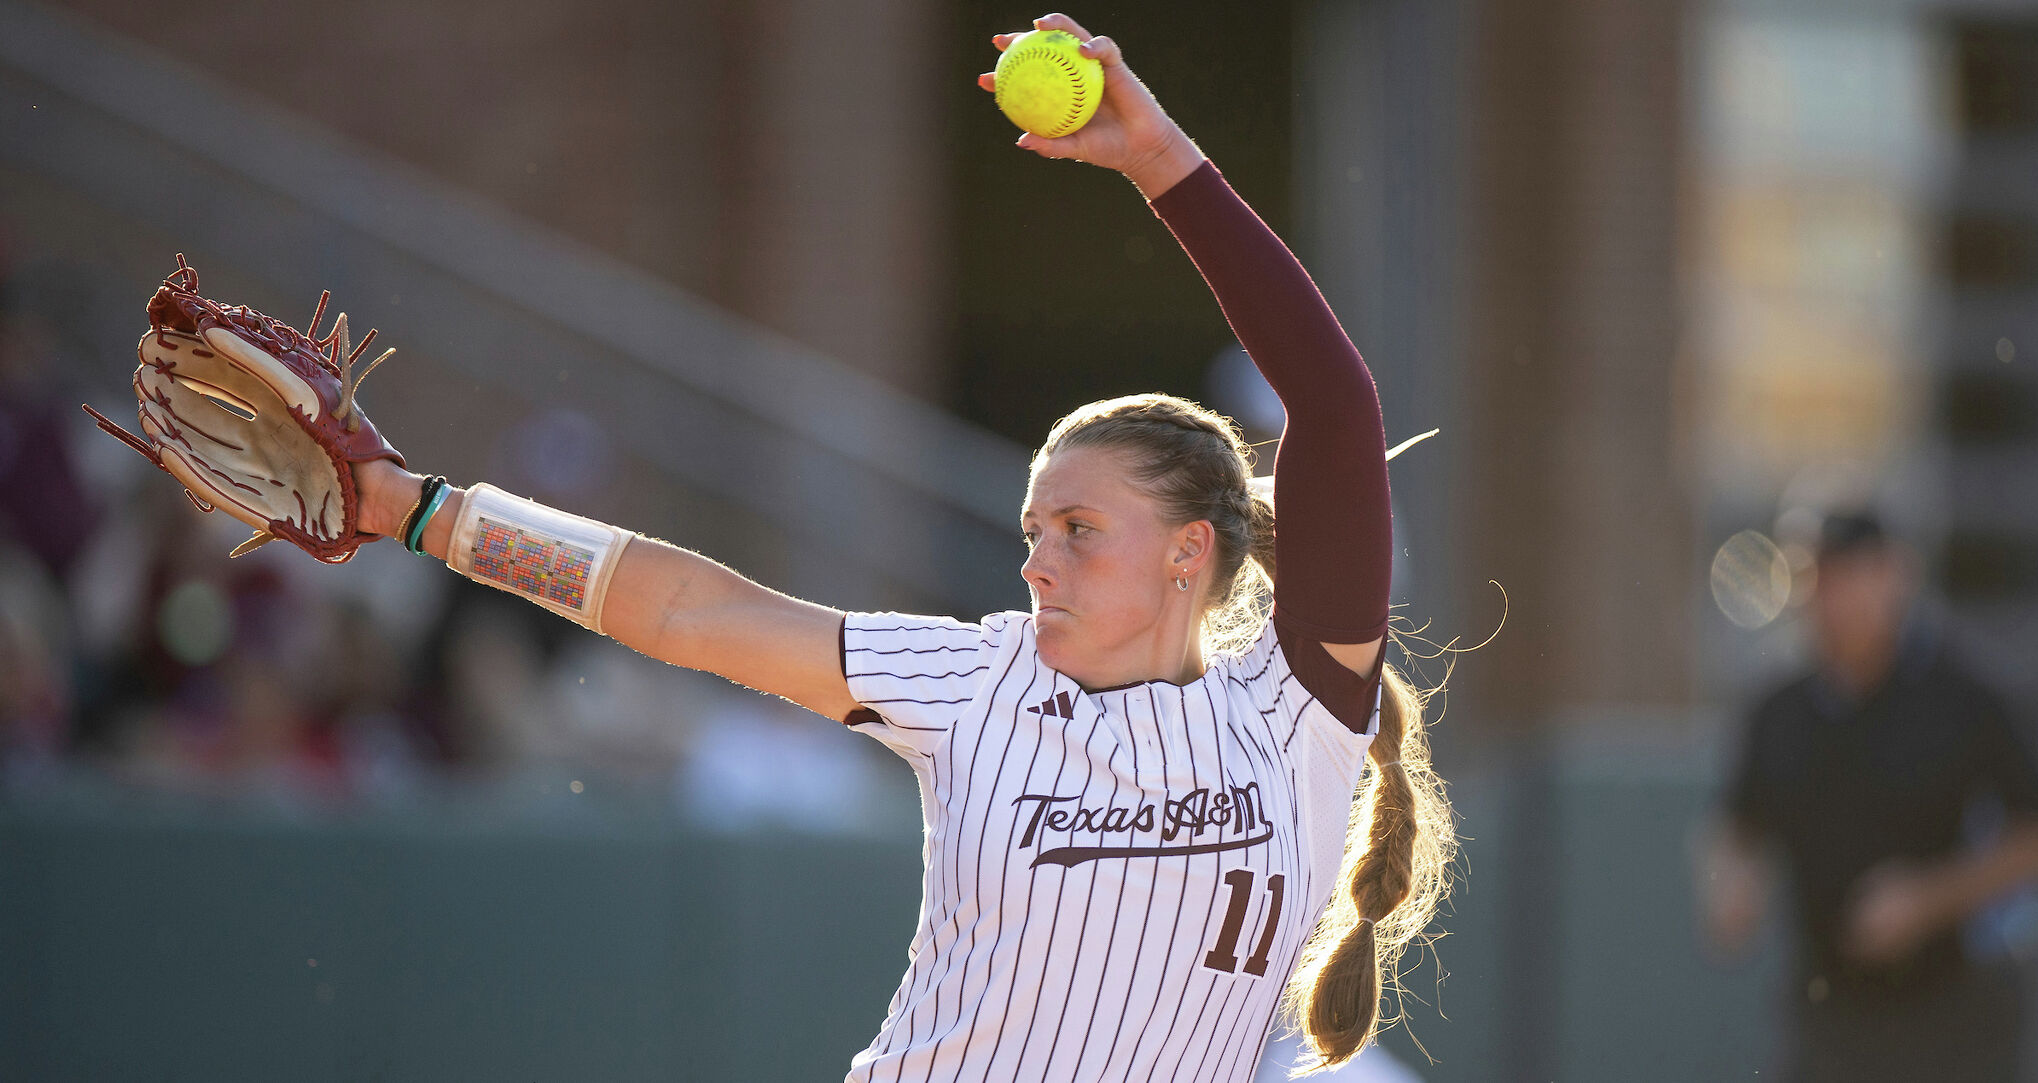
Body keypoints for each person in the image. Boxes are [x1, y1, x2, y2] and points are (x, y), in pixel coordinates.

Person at [343, 14, 1453, 1079]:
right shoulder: (976, 680)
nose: (1036, 561)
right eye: (1030, 532)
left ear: (1186, 551)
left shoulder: (1293, 713)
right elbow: (686, 612)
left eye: (1077, 529)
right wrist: (424, 513)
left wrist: (1159, 158)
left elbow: (1333, 400)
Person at [1700, 510, 2038, 1083]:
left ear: (1896, 578)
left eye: (1854, 577)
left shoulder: (1963, 698)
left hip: (1953, 1007)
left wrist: (1927, 899)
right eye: (1822, 582)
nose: (1837, 601)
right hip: (1831, 1009)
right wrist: (1731, 884)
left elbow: (2036, 837)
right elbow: (1738, 828)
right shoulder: (1780, 712)